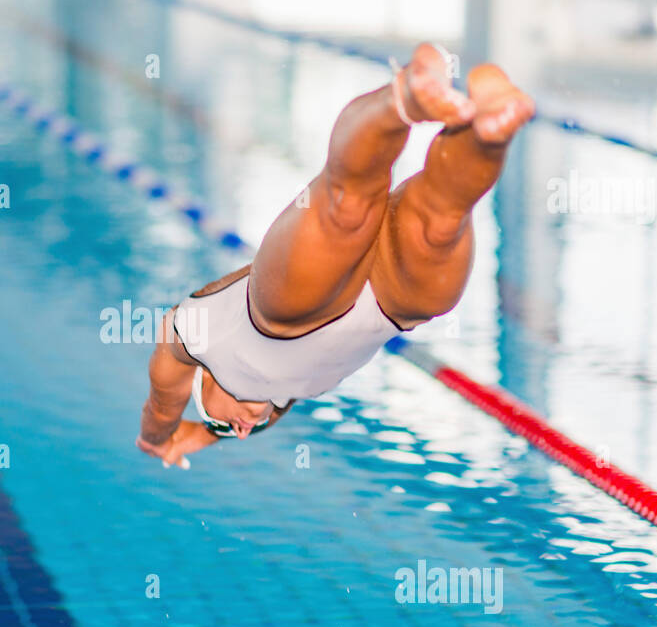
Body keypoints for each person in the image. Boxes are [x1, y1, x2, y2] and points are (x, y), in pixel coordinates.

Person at [137, 42, 535, 467]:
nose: (241, 429)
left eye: (221, 424)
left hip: (282, 310)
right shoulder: (274, 401)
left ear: (202, 378)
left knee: (346, 207)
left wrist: (159, 439)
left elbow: (162, 408)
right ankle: (488, 129)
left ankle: (406, 97)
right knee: (441, 224)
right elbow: (246, 418)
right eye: (238, 433)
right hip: (390, 307)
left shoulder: (190, 339)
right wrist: (210, 434)